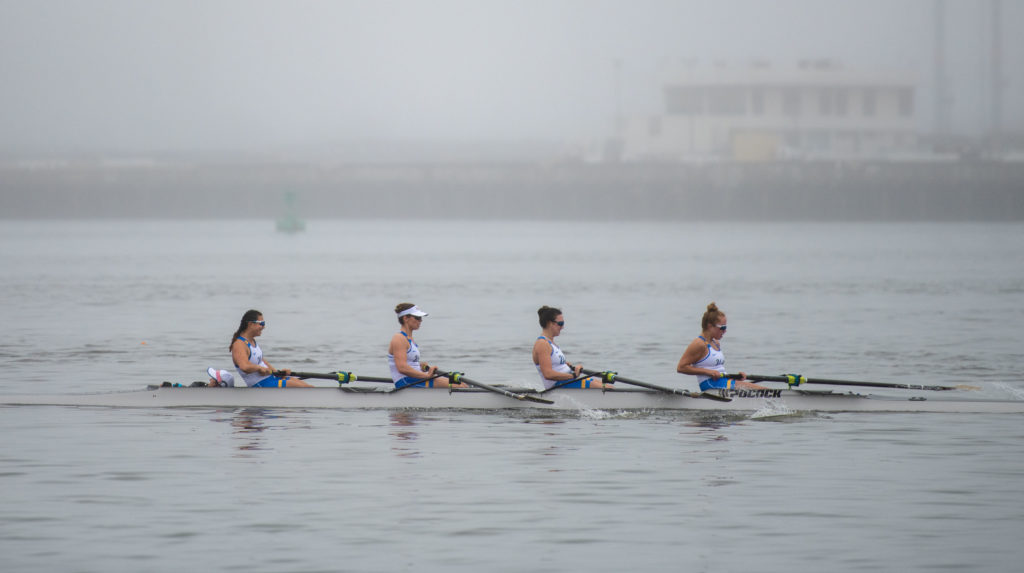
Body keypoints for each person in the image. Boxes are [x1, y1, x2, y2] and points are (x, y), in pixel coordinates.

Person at [676, 302, 766, 392]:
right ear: (710, 326)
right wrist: (708, 372)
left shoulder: (716, 343)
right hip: (710, 384)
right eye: (722, 328)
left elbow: (719, 370)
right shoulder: (699, 344)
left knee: (762, 389)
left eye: (725, 327)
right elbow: (681, 367)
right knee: (763, 390)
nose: (725, 331)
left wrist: (736, 378)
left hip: (723, 382)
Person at [532, 305, 611, 390]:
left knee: (607, 386)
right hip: (559, 385)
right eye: (560, 324)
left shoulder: (551, 343)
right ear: (549, 323)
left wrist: (567, 366)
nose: (562, 327)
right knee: (607, 388)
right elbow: (548, 374)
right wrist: (573, 375)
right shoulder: (542, 344)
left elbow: (554, 365)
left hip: (567, 381)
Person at [230, 309, 313, 388]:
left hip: (271, 379)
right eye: (261, 323)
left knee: (308, 387)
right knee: (303, 388)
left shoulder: (252, 341)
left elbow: (262, 361)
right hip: (260, 384)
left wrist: (278, 372)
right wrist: (258, 368)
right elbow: (244, 367)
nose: (264, 327)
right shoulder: (239, 344)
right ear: (250, 324)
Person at [387, 303, 462, 389]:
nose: (421, 321)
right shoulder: (399, 338)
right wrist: (426, 376)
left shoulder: (409, 338)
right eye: (417, 318)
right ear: (405, 318)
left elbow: (408, 363)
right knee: (458, 385)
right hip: (406, 381)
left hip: (416, 378)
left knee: (459, 379)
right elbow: (402, 367)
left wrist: (419, 366)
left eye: (421, 318)